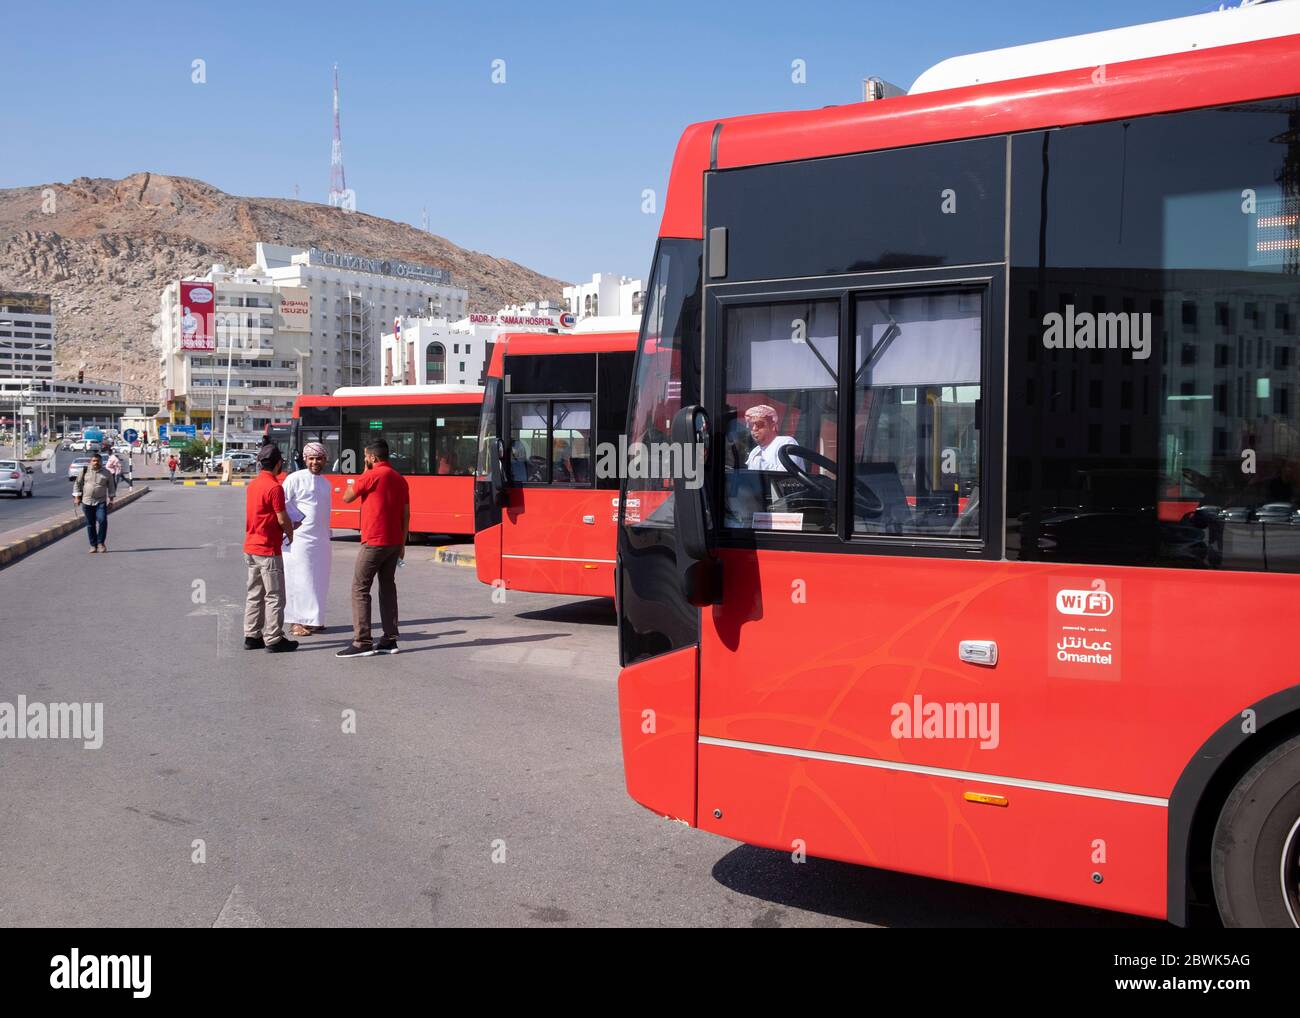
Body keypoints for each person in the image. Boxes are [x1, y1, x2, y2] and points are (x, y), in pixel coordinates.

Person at [338, 438, 410, 658]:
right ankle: (389, 639)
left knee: (360, 588)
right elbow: (406, 513)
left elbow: (346, 497)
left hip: (374, 541)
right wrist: (403, 543)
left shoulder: (371, 475)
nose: (365, 459)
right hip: (394, 541)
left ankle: (362, 641)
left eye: (366, 456)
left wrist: (363, 472)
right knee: (387, 587)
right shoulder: (399, 478)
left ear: (372, 457)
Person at [244, 443, 298, 653]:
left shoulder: (254, 485)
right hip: (268, 548)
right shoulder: (275, 487)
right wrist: (291, 531)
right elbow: (282, 517)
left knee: (254, 593)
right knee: (274, 595)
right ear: (278, 464)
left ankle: (252, 635)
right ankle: (274, 638)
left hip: (251, 546)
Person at [282, 442, 332, 638]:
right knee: (299, 580)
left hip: (321, 540)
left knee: (319, 580)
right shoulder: (294, 478)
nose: (315, 462)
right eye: (311, 458)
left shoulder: (326, 483)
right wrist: (294, 524)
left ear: (325, 460)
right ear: (304, 459)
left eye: (318, 458)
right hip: (299, 540)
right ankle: (296, 622)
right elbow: (282, 504)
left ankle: (314, 620)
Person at [72, 452, 116, 553]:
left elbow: (111, 487)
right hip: (86, 502)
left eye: (98, 461)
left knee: (102, 521)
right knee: (90, 524)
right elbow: (77, 484)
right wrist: (77, 497)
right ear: (90, 462)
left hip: (100, 501)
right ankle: (93, 545)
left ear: (101, 462)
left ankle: (101, 543)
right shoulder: (84, 471)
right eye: (94, 461)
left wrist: (111, 500)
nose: (96, 462)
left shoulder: (106, 473)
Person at [743, 404, 801, 471]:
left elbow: (787, 474)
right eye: (750, 425)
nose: (754, 429)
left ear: (773, 426)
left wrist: (758, 463)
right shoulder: (754, 452)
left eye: (759, 424)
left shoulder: (786, 443)